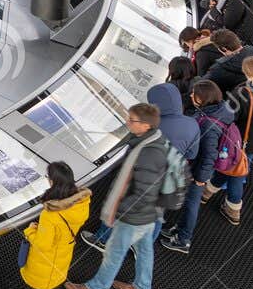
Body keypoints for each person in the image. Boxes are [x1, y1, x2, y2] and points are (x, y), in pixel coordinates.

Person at [65, 102, 168, 289]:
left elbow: (141, 189)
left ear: (146, 125)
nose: (127, 122)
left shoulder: (147, 152)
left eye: (132, 120)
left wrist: (118, 212)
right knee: (145, 249)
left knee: (114, 252)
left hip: (134, 214)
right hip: (150, 212)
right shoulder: (154, 140)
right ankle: (142, 287)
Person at [80, 83, 198, 249]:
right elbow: (192, 154)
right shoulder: (192, 123)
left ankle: (103, 239)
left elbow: (125, 145)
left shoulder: (149, 126)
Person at [10, 161, 88, 289]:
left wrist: (30, 231)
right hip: (61, 257)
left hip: (45, 262)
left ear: (52, 182)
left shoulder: (52, 214)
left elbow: (42, 245)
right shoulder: (80, 203)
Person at [201, 57, 253, 226]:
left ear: (250, 76)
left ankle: (233, 208)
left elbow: (227, 116)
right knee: (235, 167)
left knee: (237, 173)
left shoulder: (244, 93)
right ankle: (209, 190)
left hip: (241, 143)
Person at [160, 79, 232, 257]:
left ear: (203, 99)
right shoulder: (221, 110)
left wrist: (201, 178)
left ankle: (184, 239)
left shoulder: (209, 122)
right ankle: (180, 230)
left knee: (191, 203)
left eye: (195, 95)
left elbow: (209, 153)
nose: (191, 96)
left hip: (197, 170)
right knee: (188, 202)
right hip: (196, 167)